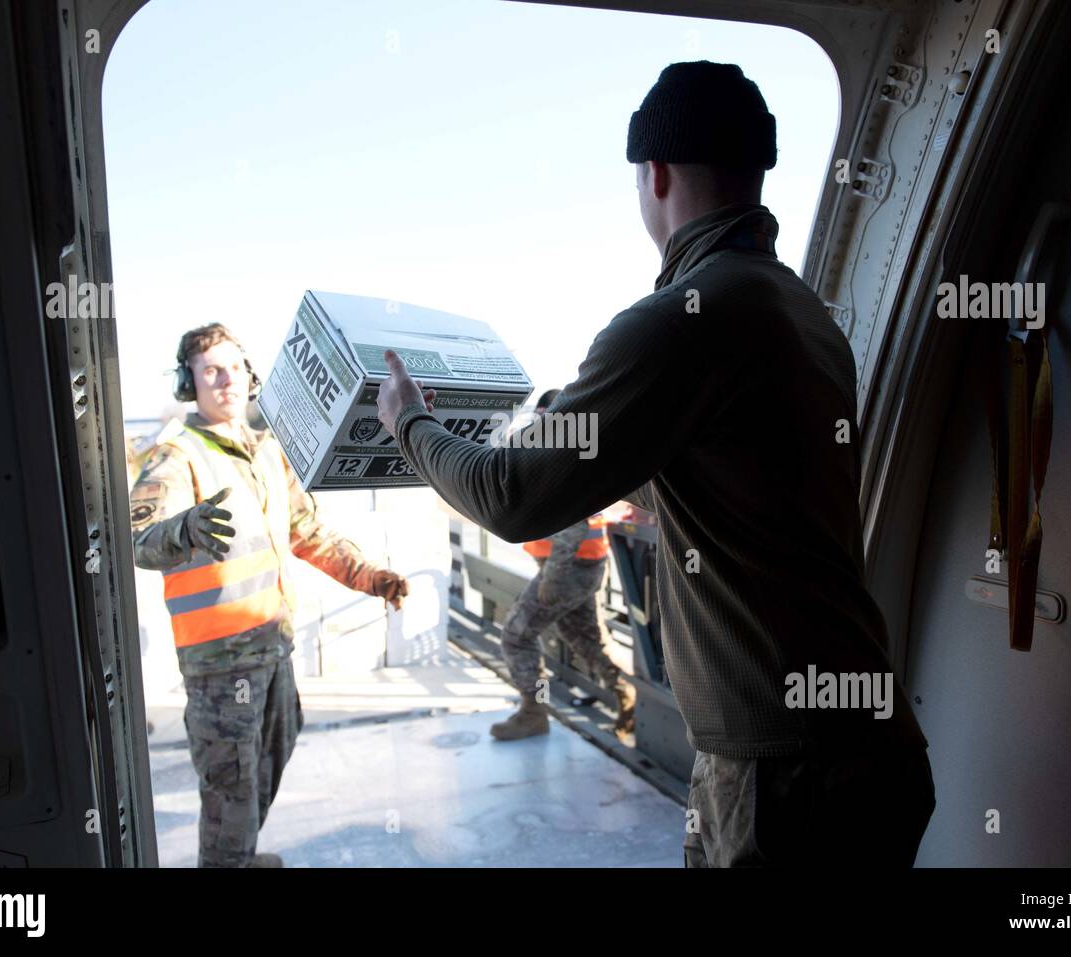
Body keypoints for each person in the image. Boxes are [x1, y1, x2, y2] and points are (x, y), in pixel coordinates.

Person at [376, 61, 934, 867]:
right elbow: (747, 471)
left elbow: (510, 494)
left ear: (657, 173)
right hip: (861, 752)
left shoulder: (681, 321)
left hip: (785, 776)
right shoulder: (802, 312)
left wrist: (411, 423)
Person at [129, 323, 409, 868]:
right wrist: (185, 528)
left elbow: (312, 535)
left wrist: (372, 577)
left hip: (273, 648)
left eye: (233, 366)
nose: (224, 378)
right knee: (230, 787)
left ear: (250, 376)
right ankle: (228, 861)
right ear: (190, 384)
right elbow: (142, 540)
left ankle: (239, 856)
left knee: (271, 755)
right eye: (210, 369)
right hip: (219, 664)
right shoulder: (175, 455)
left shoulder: (265, 454)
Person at [488, 389, 636, 742]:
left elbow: (572, 526)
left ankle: (533, 712)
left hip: (567, 570)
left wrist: (552, 579)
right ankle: (628, 695)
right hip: (582, 566)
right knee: (585, 639)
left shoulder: (565, 458)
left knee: (517, 636)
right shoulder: (573, 449)